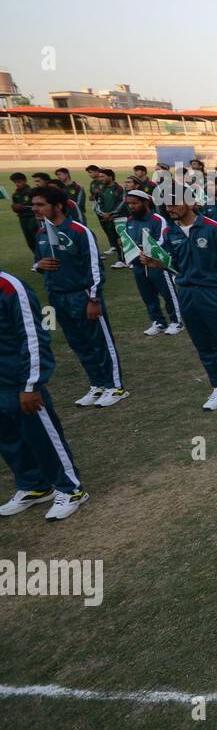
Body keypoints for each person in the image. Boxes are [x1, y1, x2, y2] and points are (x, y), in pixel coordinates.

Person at [0, 269, 90, 520]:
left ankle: (70, 489)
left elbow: (32, 337)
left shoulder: (9, 287)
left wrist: (31, 384)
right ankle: (33, 485)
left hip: (18, 383)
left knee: (42, 437)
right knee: (9, 441)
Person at [31, 186, 128, 408]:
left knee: (100, 342)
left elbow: (94, 268)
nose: (34, 208)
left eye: (40, 204)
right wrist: (39, 265)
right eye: (34, 204)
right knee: (79, 343)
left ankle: (116, 387)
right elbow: (37, 263)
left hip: (82, 296)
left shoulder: (79, 231)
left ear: (57, 206)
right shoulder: (42, 233)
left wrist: (93, 299)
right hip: (58, 297)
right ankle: (97, 384)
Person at [153, 188, 217, 411]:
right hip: (186, 293)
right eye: (166, 205)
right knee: (203, 345)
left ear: (191, 201)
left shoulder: (214, 228)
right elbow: (175, 264)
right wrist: (159, 263)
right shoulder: (168, 233)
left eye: (174, 203)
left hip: (214, 293)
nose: (170, 208)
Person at [123, 190, 183, 336]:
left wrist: (147, 252)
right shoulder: (130, 221)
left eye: (135, 203)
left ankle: (177, 322)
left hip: (157, 264)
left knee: (168, 294)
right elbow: (127, 241)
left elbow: (161, 240)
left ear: (146, 202)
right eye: (129, 204)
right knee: (148, 295)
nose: (132, 206)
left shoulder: (157, 220)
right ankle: (158, 322)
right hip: (138, 265)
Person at [92, 168, 128, 268]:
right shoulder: (101, 189)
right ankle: (122, 259)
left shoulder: (119, 189)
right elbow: (97, 203)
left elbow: (122, 202)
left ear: (110, 177)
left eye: (102, 176)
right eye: (99, 176)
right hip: (106, 218)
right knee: (114, 239)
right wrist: (103, 214)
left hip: (118, 218)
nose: (100, 178)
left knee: (122, 239)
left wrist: (111, 214)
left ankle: (124, 260)